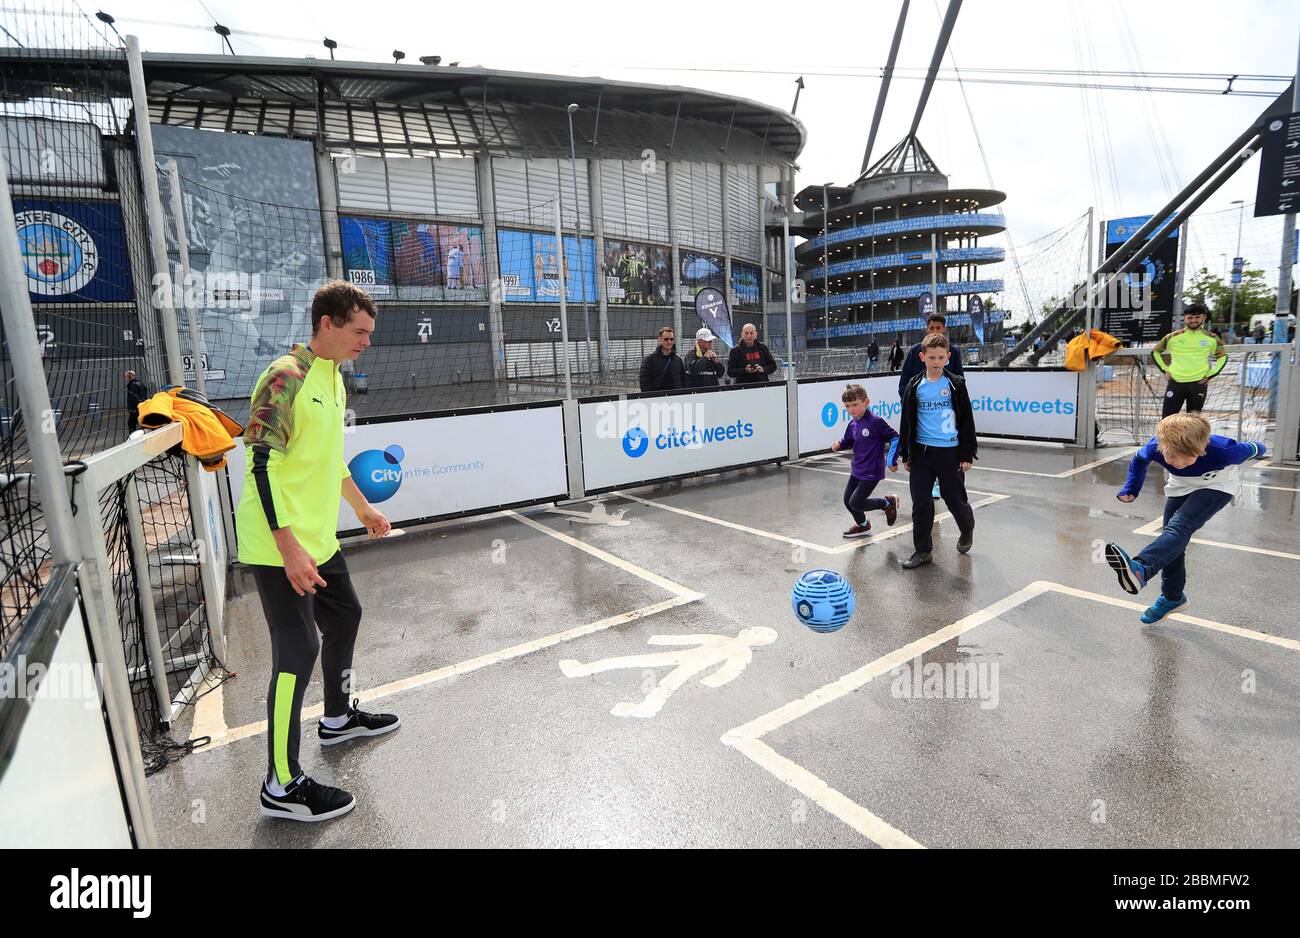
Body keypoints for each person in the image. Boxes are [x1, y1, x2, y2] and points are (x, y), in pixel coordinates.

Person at [237, 280, 399, 823]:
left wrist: (361, 507)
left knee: (346, 615)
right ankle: (281, 784)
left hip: (317, 539)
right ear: (326, 323)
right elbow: (260, 463)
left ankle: (337, 718)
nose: (366, 343)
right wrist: (287, 547)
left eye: (370, 335)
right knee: (298, 647)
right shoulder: (286, 376)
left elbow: (330, 461)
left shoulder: (334, 378)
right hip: (278, 543)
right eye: (359, 332)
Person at [1106, 412, 1267, 623]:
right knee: (1173, 542)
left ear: (1202, 448)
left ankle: (1141, 569)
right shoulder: (1155, 447)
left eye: (1188, 456)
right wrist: (1131, 488)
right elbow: (1138, 461)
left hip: (1216, 486)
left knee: (1178, 528)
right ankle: (1172, 597)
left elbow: (1255, 448)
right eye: (1171, 456)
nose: (1178, 462)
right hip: (1180, 487)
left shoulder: (1225, 451)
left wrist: (1260, 449)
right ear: (1163, 446)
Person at [898, 333, 976, 569]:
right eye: (931, 356)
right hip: (921, 453)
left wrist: (966, 454)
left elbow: (967, 421)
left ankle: (966, 526)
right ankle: (923, 551)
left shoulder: (956, 384)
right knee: (921, 504)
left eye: (941, 357)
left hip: (949, 452)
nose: (936, 361)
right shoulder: (914, 385)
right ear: (922, 357)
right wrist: (907, 454)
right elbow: (906, 422)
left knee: (953, 498)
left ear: (948, 358)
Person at [898, 314, 964, 498]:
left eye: (938, 328)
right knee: (922, 452)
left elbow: (959, 383)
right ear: (927, 329)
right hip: (921, 416)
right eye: (932, 328)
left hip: (944, 418)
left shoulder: (954, 353)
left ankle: (947, 486)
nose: (935, 331)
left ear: (944, 329)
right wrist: (913, 404)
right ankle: (931, 484)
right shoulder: (914, 352)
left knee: (946, 458)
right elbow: (903, 386)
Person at [830, 383, 900, 538]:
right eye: (847, 406)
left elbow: (895, 438)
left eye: (854, 405)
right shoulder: (853, 423)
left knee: (856, 502)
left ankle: (887, 504)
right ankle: (863, 526)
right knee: (848, 501)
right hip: (857, 468)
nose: (851, 409)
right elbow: (848, 440)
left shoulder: (876, 422)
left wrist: (891, 459)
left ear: (866, 402)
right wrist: (839, 444)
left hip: (872, 470)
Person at [1151, 302, 1227, 418]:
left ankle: (1189, 437)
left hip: (1198, 383)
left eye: (1197, 317)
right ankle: (1168, 437)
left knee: (1193, 422)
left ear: (1204, 317)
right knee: (1168, 419)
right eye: (1190, 318)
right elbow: (1155, 352)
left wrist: (1211, 374)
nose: (1193, 321)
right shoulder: (1172, 337)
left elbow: (1222, 356)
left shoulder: (1212, 338)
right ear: (1185, 318)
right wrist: (1164, 369)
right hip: (1175, 382)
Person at [639, 326, 686, 392]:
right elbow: (644, 385)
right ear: (659, 339)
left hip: (676, 399)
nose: (669, 341)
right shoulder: (649, 360)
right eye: (666, 339)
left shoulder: (678, 360)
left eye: (671, 339)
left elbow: (684, 382)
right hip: (657, 400)